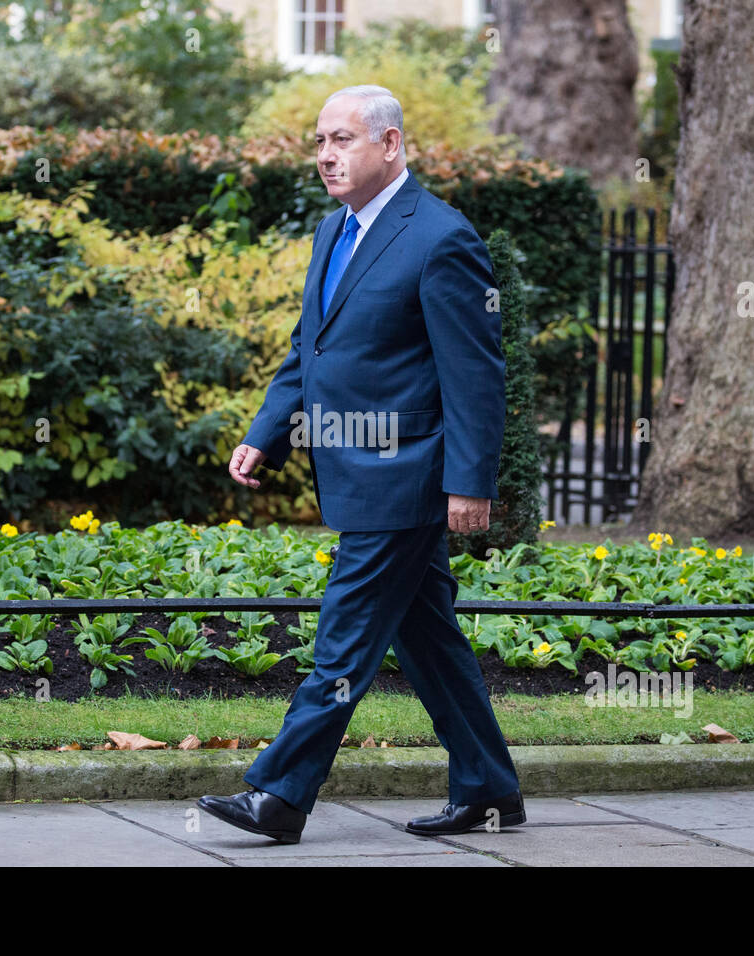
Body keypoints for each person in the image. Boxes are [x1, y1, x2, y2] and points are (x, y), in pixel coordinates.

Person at [197, 85, 524, 845]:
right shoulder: (331, 229)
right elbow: (310, 346)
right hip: (353, 472)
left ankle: (279, 796)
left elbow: (476, 375)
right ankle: (488, 787)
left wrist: (469, 483)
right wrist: (268, 430)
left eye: (342, 140)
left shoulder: (442, 238)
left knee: (342, 642)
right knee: (431, 642)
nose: (325, 155)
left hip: (403, 479)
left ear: (391, 144)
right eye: (318, 142)